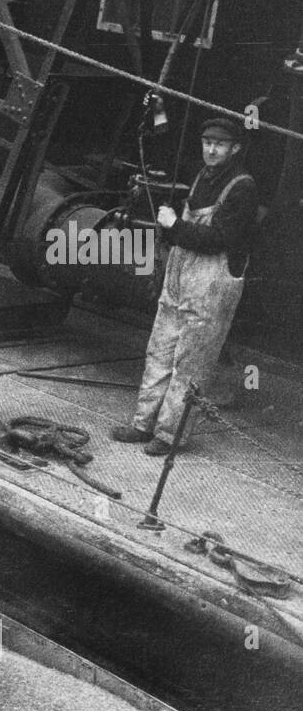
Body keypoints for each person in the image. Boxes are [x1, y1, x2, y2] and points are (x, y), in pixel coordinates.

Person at [112, 116, 258, 456]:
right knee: (159, 352)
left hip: (211, 287)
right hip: (180, 282)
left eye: (219, 144)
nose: (211, 149)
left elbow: (219, 238)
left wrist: (175, 225)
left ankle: (170, 434)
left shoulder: (242, 187)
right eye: (207, 142)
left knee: (190, 364)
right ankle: (142, 423)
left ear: (235, 148)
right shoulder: (203, 176)